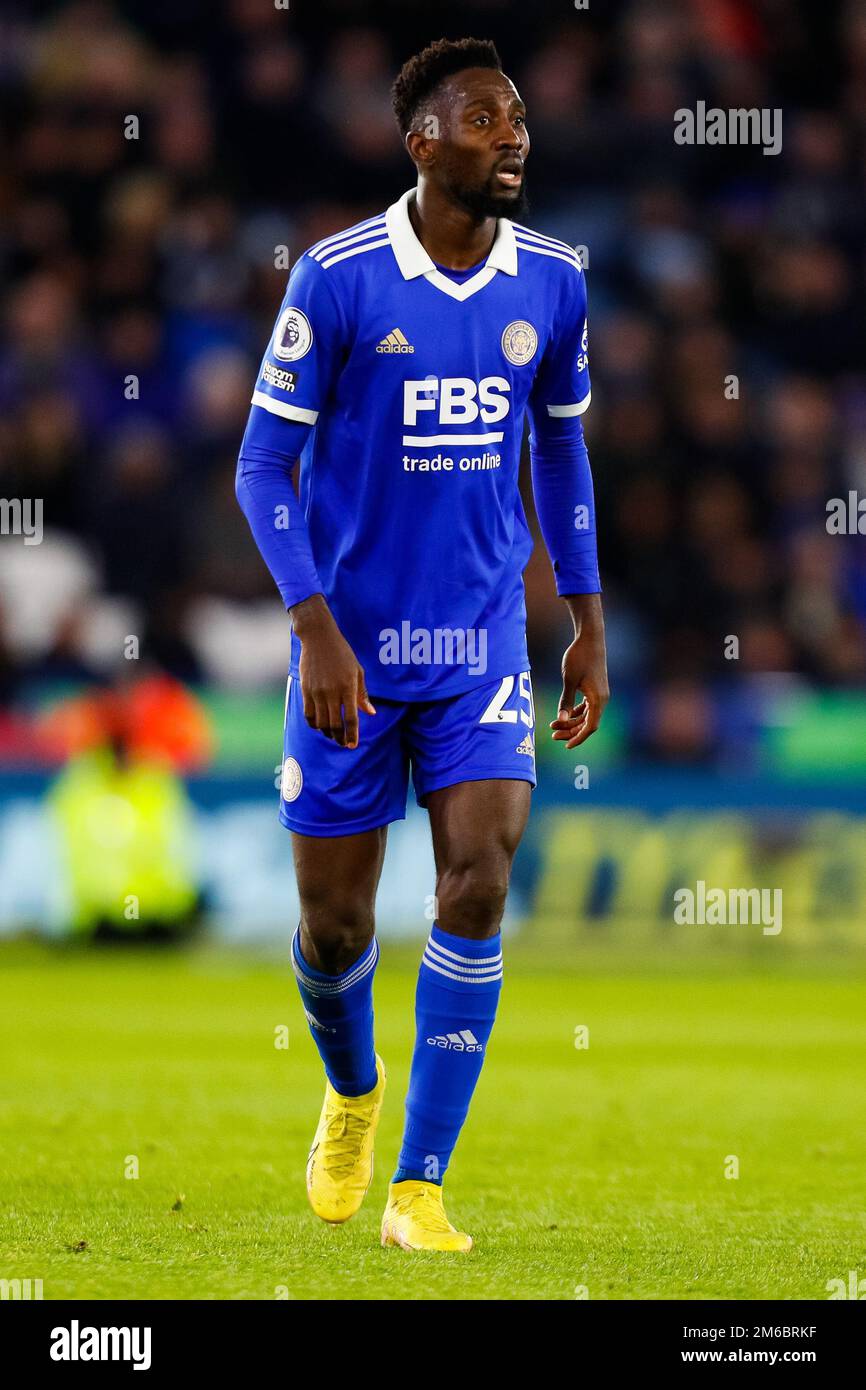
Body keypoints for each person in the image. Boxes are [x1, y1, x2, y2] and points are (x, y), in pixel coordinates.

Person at [236, 36, 609, 1253]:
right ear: (421, 146)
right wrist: (314, 628)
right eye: (484, 120)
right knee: (336, 928)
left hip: (481, 645)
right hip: (347, 650)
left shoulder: (553, 280)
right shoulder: (339, 279)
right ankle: (350, 1090)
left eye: (516, 118)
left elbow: (558, 448)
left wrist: (586, 622)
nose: (513, 137)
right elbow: (261, 466)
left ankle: (419, 1187)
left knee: (478, 878)